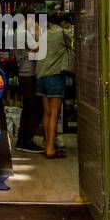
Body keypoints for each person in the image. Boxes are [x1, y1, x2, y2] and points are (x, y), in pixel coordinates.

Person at [36, 12, 72, 159]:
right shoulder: (62, 33)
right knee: (54, 114)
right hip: (54, 76)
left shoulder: (44, 34)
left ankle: (47, 144)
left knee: (46, 113)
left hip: (41, 77)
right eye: (67, 24)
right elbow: (76, 45)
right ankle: (50, 148)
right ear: (63, 23)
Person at [13, 13, 44, 152]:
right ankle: (27, 140)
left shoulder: (16, 32)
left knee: (27, 108)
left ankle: (22, 139)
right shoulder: (24, 33)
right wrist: (38, 32)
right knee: (35, 109)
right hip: (29, 74)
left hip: (23, 73)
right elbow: (39, 47)